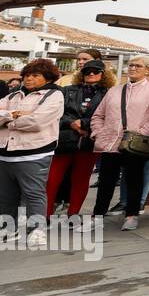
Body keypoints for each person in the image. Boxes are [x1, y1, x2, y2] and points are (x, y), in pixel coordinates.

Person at [89, 55, 149, 231]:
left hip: (135, 144)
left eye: (138, 66)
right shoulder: (114, 90)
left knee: (134, 180)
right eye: (131, 65)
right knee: (105, 182)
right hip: (110, 143)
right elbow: (98, 115)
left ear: (148, 70)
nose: (132, 68)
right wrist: (99, 132)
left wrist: (141, 134)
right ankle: (97, 216)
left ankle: (131, 215)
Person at [0, 59, 64, 246]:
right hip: (5, 152)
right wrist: (14, 115)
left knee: (34, 193)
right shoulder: (13, 95)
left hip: (34, 153)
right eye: (27, 75)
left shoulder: (53, 95)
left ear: (47, 78)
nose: (29, 79)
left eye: (35, 75)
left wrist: (7, 121)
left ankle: (37, 230)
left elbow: (37, 122)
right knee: (5, 196)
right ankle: (7, 229)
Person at [48, 59, 112, 217]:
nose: (90, 74)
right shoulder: (67, 90)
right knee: (52, 179)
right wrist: (71, 123)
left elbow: (110, 116)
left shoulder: (110, 93)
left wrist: (84, 123)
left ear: (103, 74)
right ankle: (44, 215)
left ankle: (73, 215)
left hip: (90, 140)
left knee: (81, 180)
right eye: (86, 71)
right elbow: (55, 113)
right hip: (65, 139)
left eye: (95, 71)